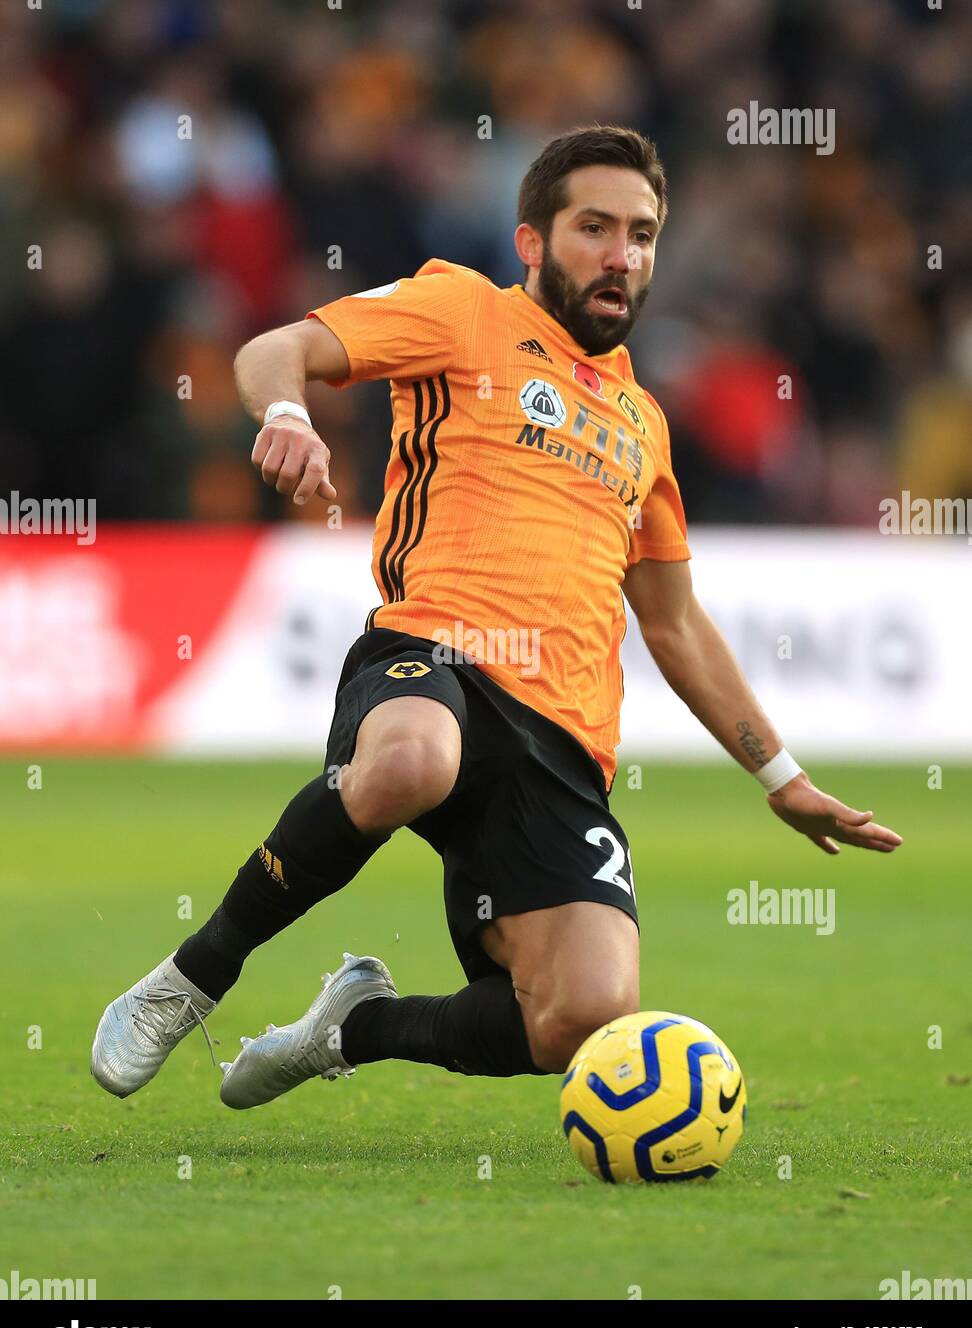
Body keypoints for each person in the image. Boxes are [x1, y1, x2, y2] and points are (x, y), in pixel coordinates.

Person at [91, 125, 902, 1108]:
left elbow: (674, 622)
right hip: (431, 653)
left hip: (561, 739)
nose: (622, 255)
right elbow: (280, 347)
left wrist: (782, 775)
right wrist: (288, 417)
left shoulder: (644, 426)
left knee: (582, 1016)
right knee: (409, 760)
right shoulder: (461, 311)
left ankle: (350, 1026)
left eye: (641, 234)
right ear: (531, 241)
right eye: (595, 227)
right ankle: (194, 976)